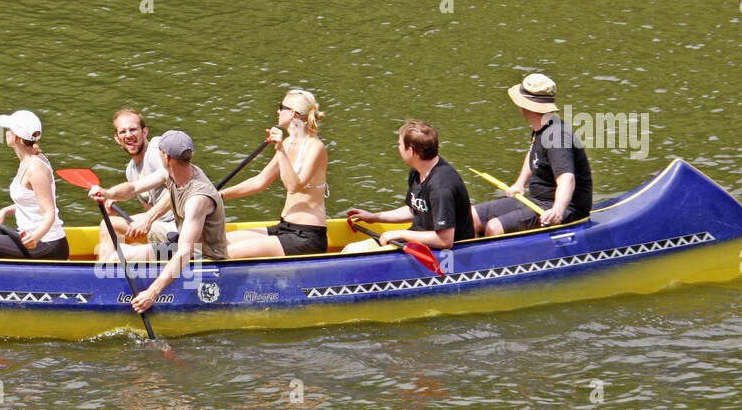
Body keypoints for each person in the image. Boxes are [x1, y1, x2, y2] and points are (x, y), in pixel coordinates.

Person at [87, 130, 227, 313]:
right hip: (181, 241)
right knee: (119, 250)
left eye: (159, 151)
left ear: (166, 157)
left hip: (205, 256)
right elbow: (134, 188)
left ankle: (107, 296)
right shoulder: (173, 173)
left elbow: (185, 252)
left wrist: (152, 293)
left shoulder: (197, 200)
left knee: (123, 257)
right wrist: (107, 193)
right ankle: (106, 289)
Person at [473, 73, 593, 236]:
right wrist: (520, 183)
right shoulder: (541, 126)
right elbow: (533, 152)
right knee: (470, 216)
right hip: (536, 200)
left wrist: (557, 211)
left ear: (525, 106)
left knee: (494, 228)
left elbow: (567, 178)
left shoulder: (556, 137)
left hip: (563, 207)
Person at [221, 88, 329, 257]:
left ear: (292, 113)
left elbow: (294, 186)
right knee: (221, 242)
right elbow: (260, 181)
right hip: (284, 228)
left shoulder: (315, 147)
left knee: (231, 252)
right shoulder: (287, 143)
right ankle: (178, 268)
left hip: (306, 236)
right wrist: (218, 196)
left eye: (281, 107)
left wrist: (279, 149)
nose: (277, 111)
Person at [344, 120, 474, 252]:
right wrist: (375, 217)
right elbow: (414, 209)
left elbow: (445, 240)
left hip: (443, 250)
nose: (398, 148)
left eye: (399, 144)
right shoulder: (418, 170)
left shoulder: (441, 187)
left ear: (411, 151)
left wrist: (401, 234)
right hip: (417, 240)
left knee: (353, 252)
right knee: (351, 248)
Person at [0, 109, 70, 259]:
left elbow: (49, 212)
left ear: (14, 136)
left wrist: (35, 237)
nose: (5, 132)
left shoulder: (35, 168)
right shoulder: (28, 160)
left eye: (8, 129)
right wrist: (5, 211)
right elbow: (32, 203)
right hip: (27, 234)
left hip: (46, 244)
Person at [94, 107, 177, 258]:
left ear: (144, 132)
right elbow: (150, 207)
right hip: (162, 226)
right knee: (110, 221)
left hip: (181, 227)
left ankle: (105, 271)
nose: (128, 135)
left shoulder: (156, 151)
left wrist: (147, 219)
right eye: (123, 132)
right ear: (117, 139)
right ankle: (114, 266)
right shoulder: (130, 170)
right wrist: (112, 209)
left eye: (133, 129)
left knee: (109, 225)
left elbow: (177, 188)